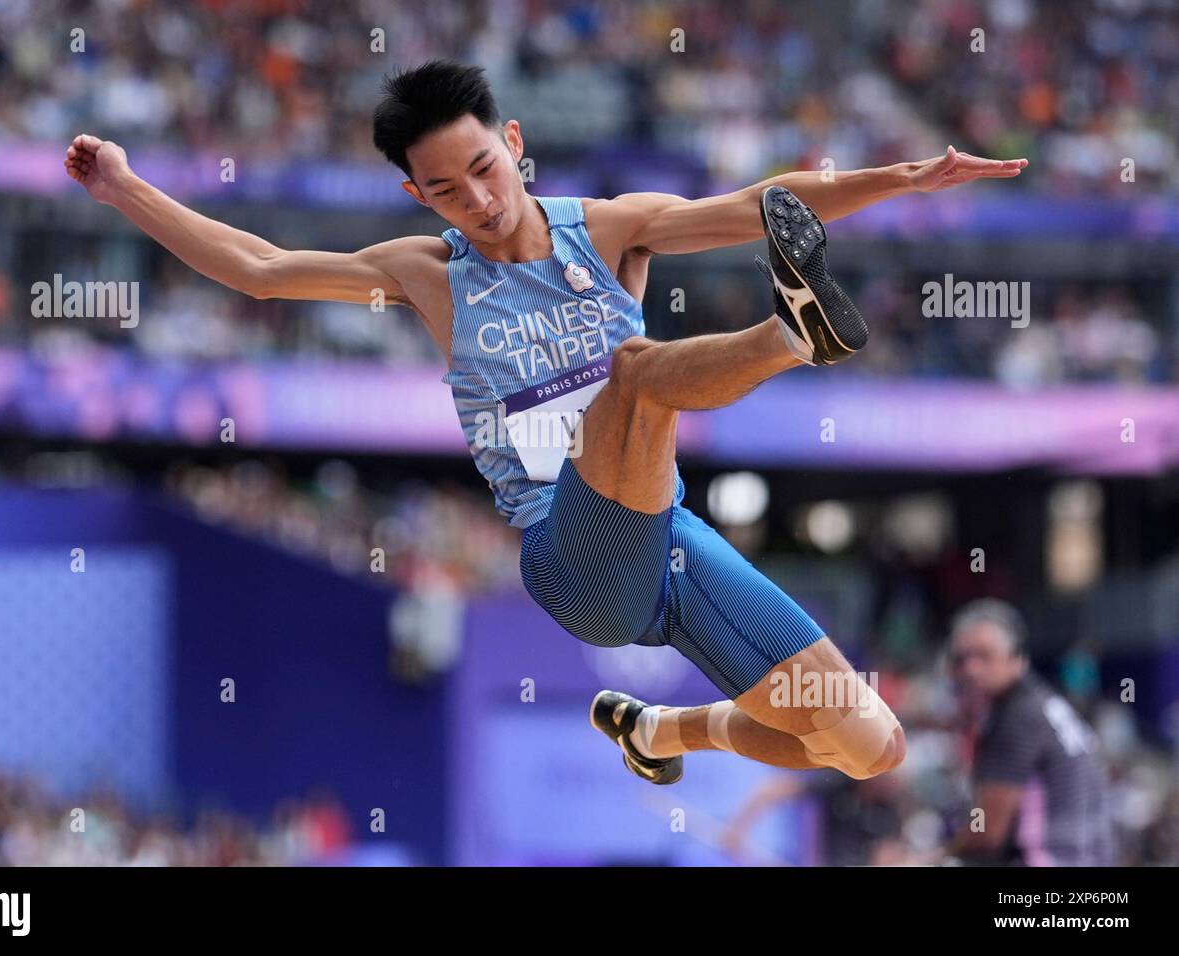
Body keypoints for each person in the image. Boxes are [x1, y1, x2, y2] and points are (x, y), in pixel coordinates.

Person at [64, 59, 1026, 787]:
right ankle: (791, 333)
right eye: (446, 189)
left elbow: (760, 205)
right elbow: (260, 267)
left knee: (867, 745)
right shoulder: (427, 274)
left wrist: (902, 178)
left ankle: (660, 731)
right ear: (417, 195)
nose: (476, 201)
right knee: (637, 375)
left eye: (484, 168)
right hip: (574, 563)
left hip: (676, 544)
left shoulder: (611, 227)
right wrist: (124, 188)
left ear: (514, 142)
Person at [936, 599, 1113, 865]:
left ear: (1017, 660)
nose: (970, 669)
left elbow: (987, 835)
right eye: (961, 659)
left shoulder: (1016, 716)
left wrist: (926, 857)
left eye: (984, 656)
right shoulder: (1040, 702)